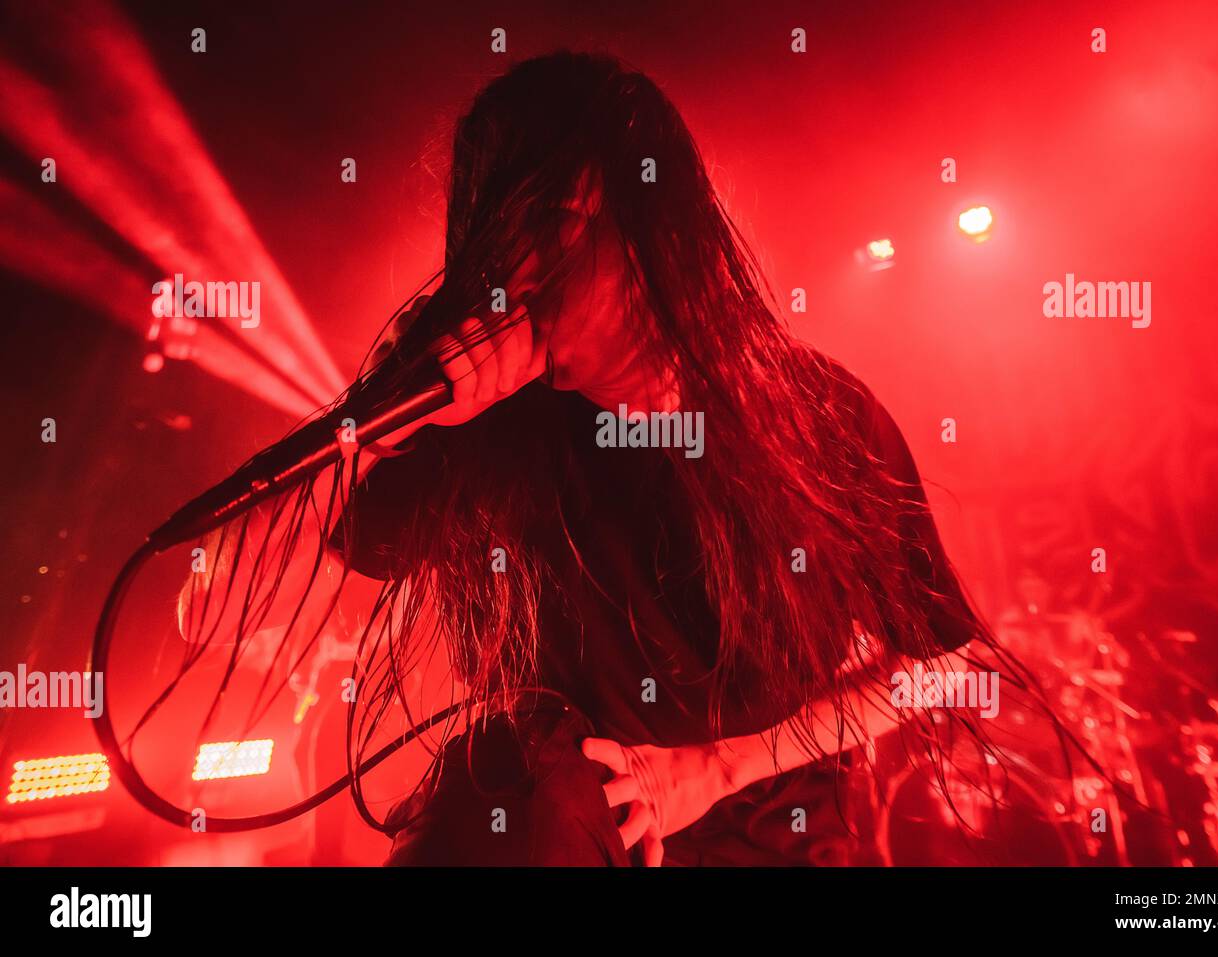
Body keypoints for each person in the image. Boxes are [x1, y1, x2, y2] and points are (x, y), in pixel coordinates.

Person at [184, 51, 992, 866]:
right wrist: (380, 418)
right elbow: (215, 612)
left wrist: (719, 766)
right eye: (488, 239)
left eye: (544, 227)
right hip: (554, 823)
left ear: (642, 226)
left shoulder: (819, 413)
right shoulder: (485, 423)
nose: (507, 274)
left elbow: (946, 661)